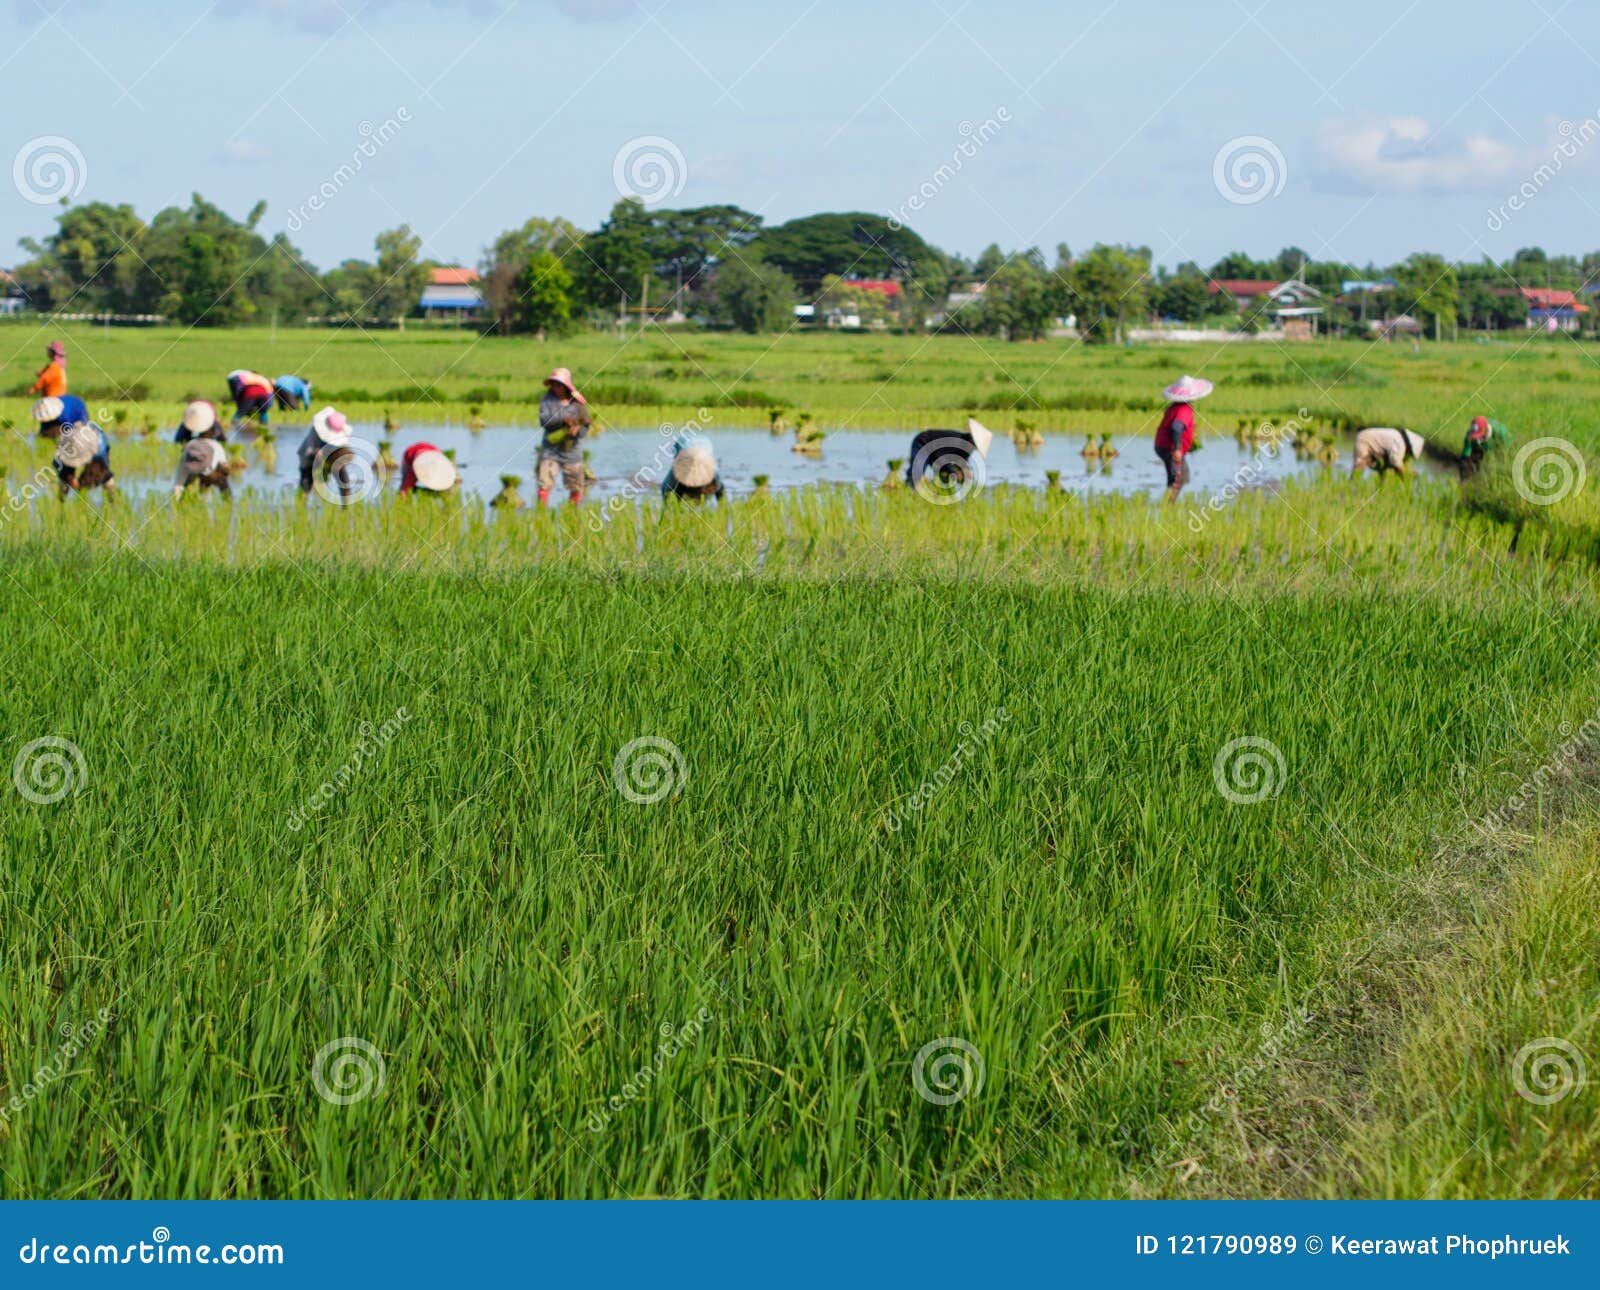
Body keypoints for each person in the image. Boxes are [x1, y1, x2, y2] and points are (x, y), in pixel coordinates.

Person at [537, 366, 590, 505]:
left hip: (572, 450)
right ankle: (541, 515)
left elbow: (586, 424)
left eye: (559, 385)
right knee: (544, 483)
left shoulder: (578, 403)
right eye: (554, 384)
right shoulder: (547, 401)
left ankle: (571, 513)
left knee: (576, 485)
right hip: (551, 450)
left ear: (566, 386)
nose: (556, 387)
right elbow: (544, 421)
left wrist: (576, 431)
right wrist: (564, 420)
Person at [1156, 374, 1211, 500]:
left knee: (1181, 476)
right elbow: (1176, 427)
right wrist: (1177, 449)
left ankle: (1169, 503)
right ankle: (1168, 505)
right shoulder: (1184, 409)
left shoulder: (1175, 406)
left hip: (1163, 445)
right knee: (1178, 478)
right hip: (1169, 448)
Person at [904, 417, 994, 493]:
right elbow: (940, 457)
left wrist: (965, 472)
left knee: (946, 475)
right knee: (916, 472)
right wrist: (953, 471)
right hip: (923, 442)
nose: (974, 447)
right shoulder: (956, 441)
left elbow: (962, 462)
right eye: (974, 444)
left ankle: (940, 493)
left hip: (936, 452)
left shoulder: (968, 448)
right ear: (971, 439)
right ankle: (907, 489)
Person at [298, 406, 358, 497]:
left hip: (331, 454)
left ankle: (346, 505)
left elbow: (343, 448)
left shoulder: (340, 434)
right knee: (306, 482)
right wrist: (317, 455)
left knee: (343, 479)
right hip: (310, 457)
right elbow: (307, 453)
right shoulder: (315, 432)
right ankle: (302, 502)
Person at [54, 422, 115, 499]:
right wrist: (70, 477)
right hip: (76, 438)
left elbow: (103, 469)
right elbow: (57, 463)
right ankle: (61, 501)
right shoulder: (68, 440)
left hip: (96, 451)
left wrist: (83, 483)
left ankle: (111, 499)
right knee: (64, 476)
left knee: (104, 478)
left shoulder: (100, 449)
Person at [661, 431, 724, 502]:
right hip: (683, 443)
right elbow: (665, 487)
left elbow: (720, 490)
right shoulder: (682, 468)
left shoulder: (712, 474)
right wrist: (666, 508)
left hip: (703, 442)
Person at [1352, 426, 1426, 476]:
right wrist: (1406, 476)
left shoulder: (1399, 438)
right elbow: (1397, 464)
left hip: (1368, 438)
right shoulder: (1399, 445)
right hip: (1364, 440)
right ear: (1409, 447)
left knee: (1383, 469)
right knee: (1360, 466)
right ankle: (1352, 486)